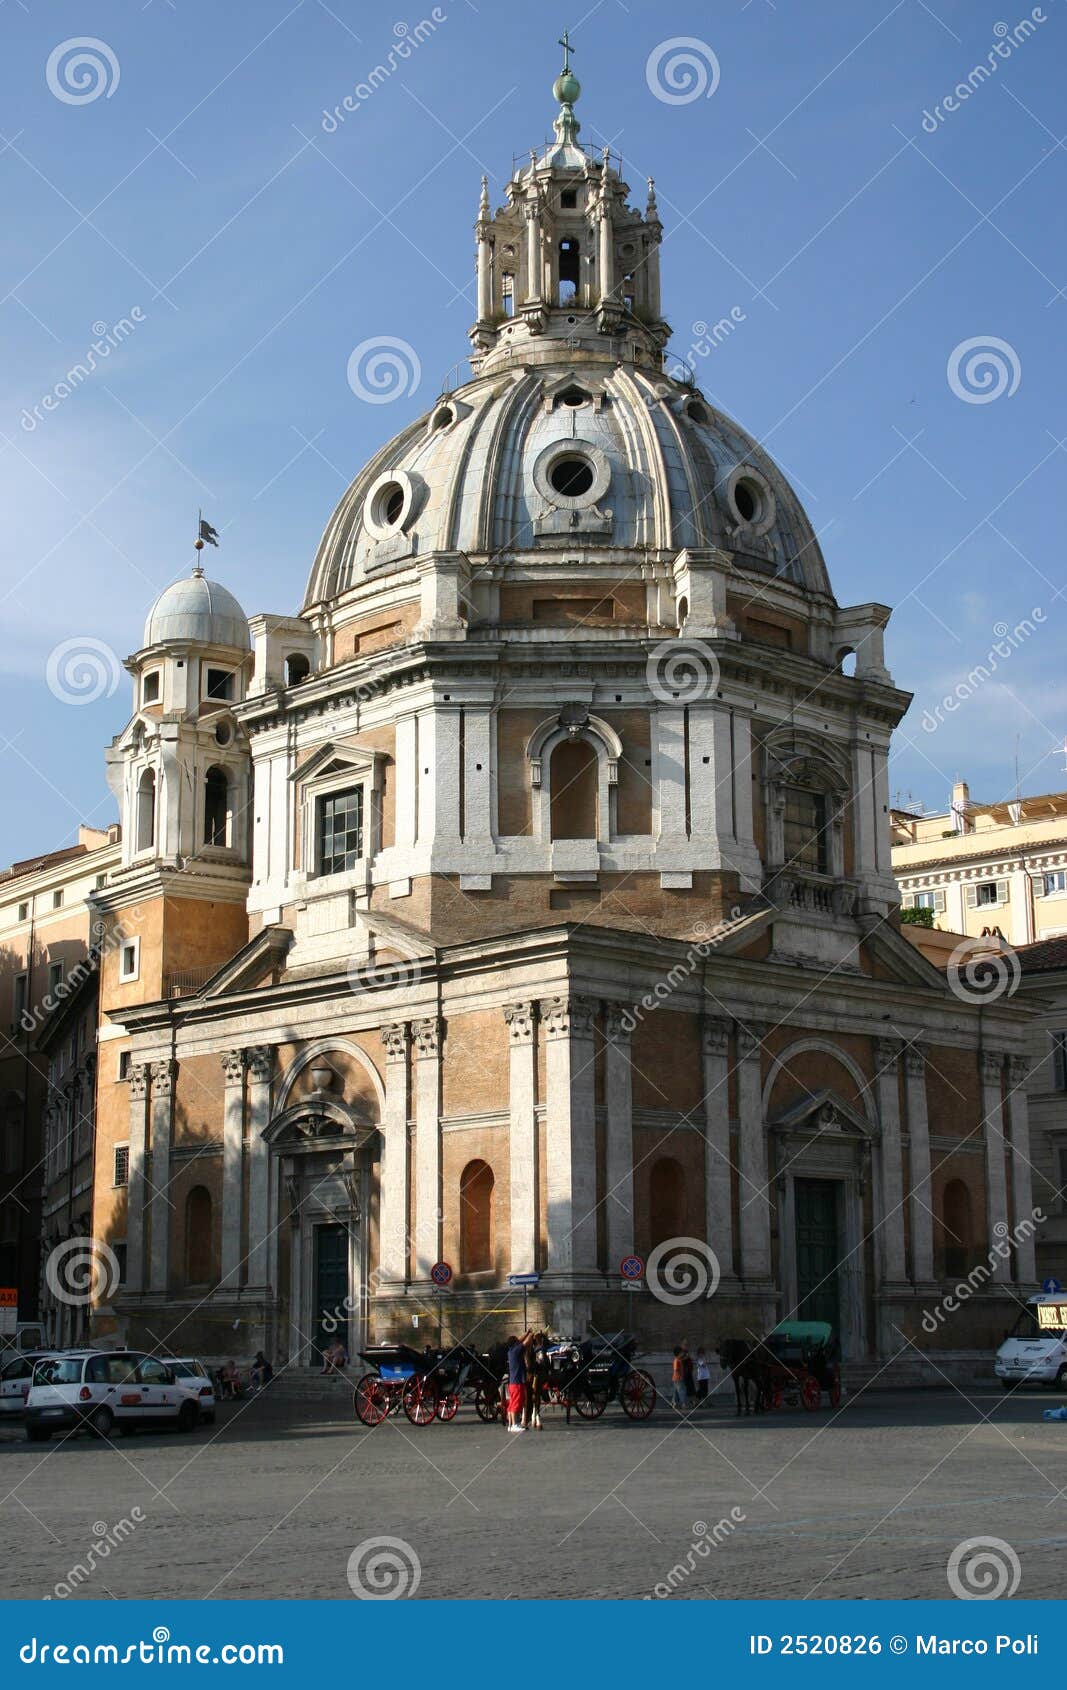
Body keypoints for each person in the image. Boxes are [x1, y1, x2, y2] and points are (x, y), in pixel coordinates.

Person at [506, 1331, 530, 1434]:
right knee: (516, 1404)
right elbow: (525, 1343)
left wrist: (527, 1332)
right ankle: (515, 1424)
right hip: (517, 1382)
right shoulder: (516, 1351)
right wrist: (531, 1334)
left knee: (512, 1404)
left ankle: (511, 1425)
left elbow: (520, 1341)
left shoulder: (511, 1351)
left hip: (512, 1383)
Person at [671, 1346, 687, 1411]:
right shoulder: (676, 1360)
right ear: (679, 1353)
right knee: (682, 1391)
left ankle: (674, 1403)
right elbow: (675, 1369)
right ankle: (683, 1404)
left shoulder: (679, 1360)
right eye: (682, 1352)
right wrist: (680, 1375)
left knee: (676, 1392)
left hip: (676, 1379)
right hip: (678, 1378)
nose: (683, 1354)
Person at [680, 1339, 696, 1404]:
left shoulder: (686, 1352)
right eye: (685, 1344)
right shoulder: (681, 1352)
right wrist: (687, 1357)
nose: (687, 1346)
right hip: (685, 1372)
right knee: (685, 1388)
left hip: (688, 1372)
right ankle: (689, 1401)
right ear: (682, 1345)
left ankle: (693, 1401)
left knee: (691, 1387)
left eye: (687, 1344)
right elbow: (680, 1360)